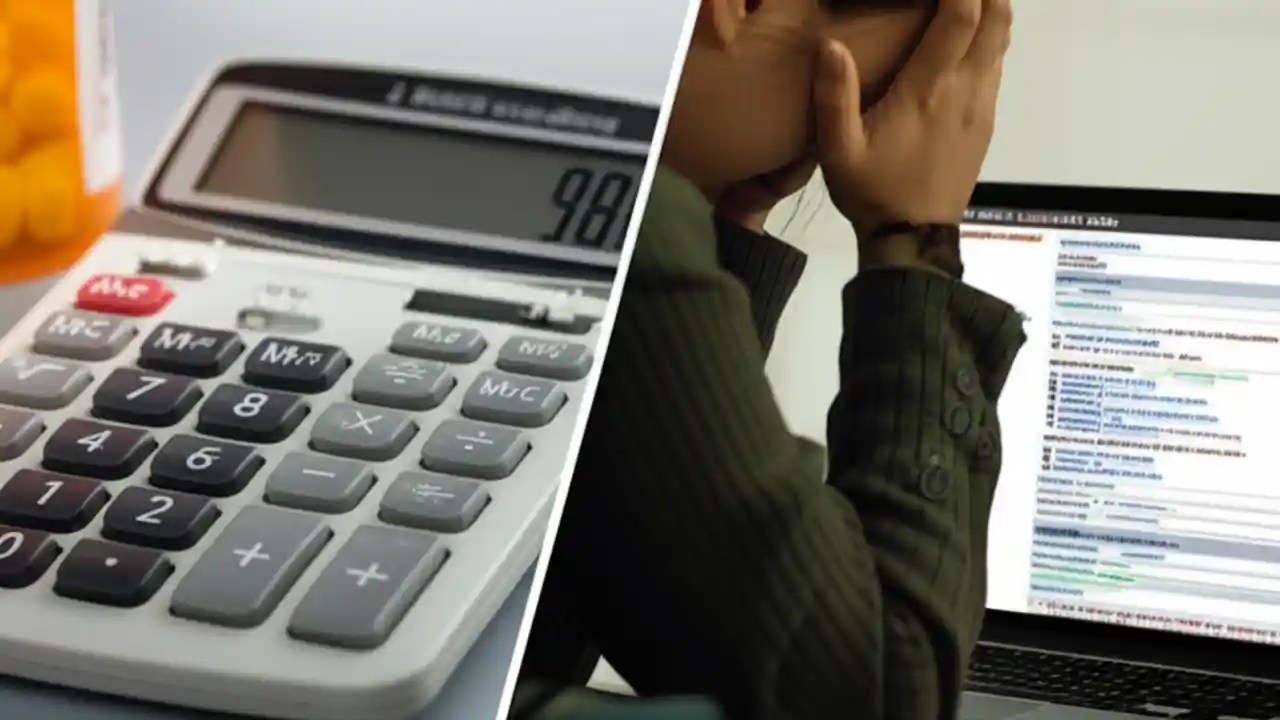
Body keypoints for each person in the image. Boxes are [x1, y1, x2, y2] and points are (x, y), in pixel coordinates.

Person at [510, 0, 1022, 717]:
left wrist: (717, 220)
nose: (846, 139)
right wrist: (914, 240)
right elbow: (875, 693)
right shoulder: (613, 204)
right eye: (880, 96)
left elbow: (586, 586)